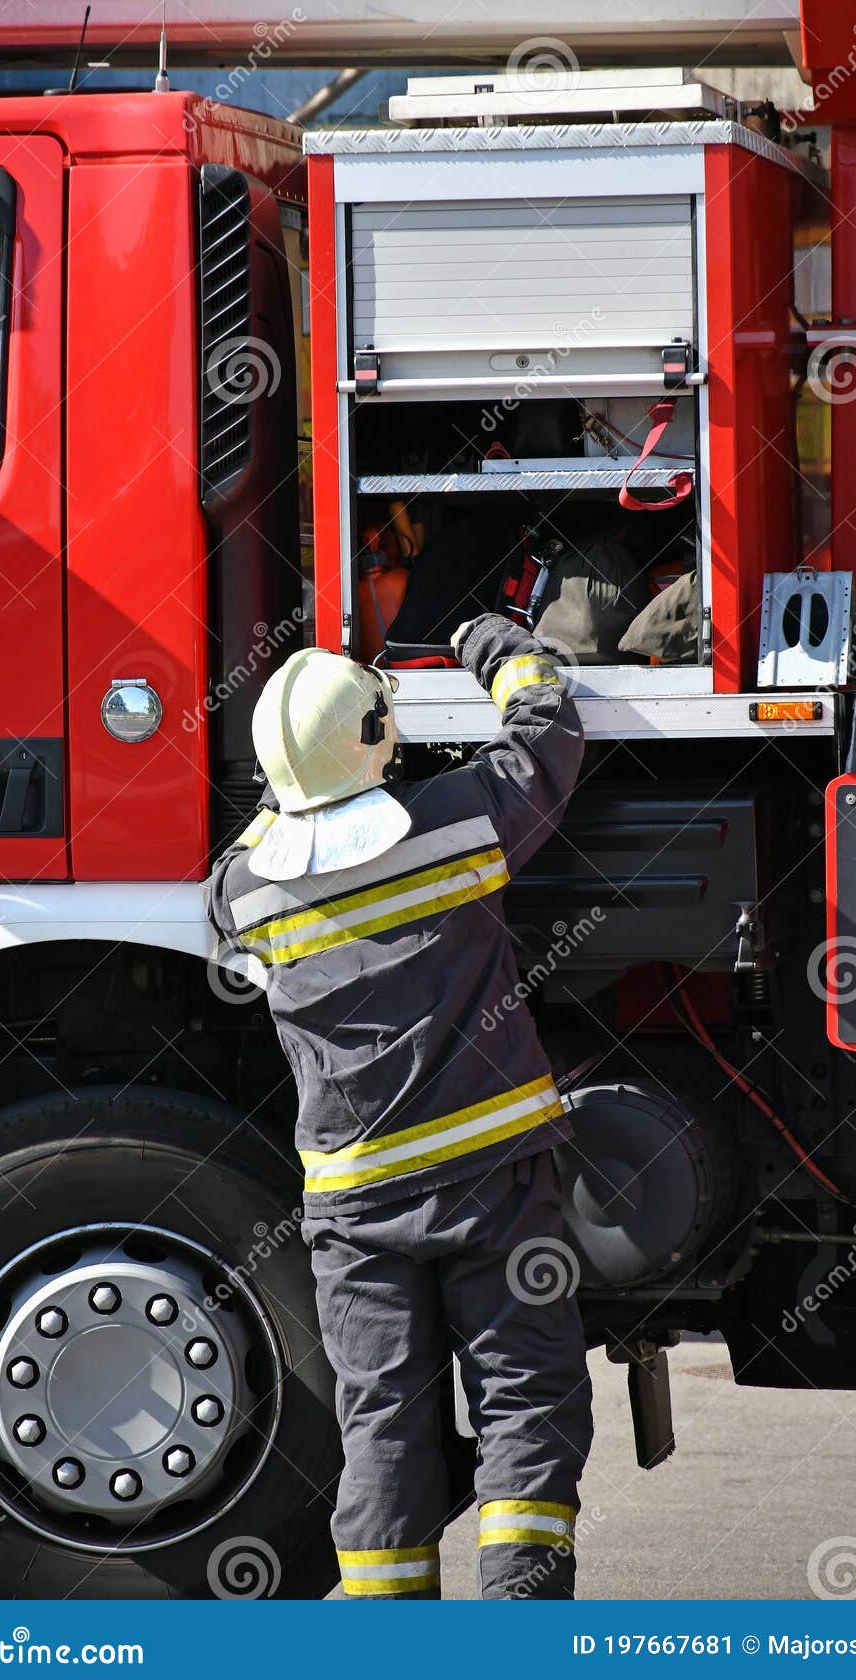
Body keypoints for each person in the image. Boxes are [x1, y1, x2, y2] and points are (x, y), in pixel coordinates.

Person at [203, 612, 593, 1599]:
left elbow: (240, 863)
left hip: (353, 1211)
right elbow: (546, 732)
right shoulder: (459, 821)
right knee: (524, 1402)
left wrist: (297, 784)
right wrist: (489, 642)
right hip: (492, 1183)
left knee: (381, 1425)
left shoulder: (245, 895)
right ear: (378, 736)